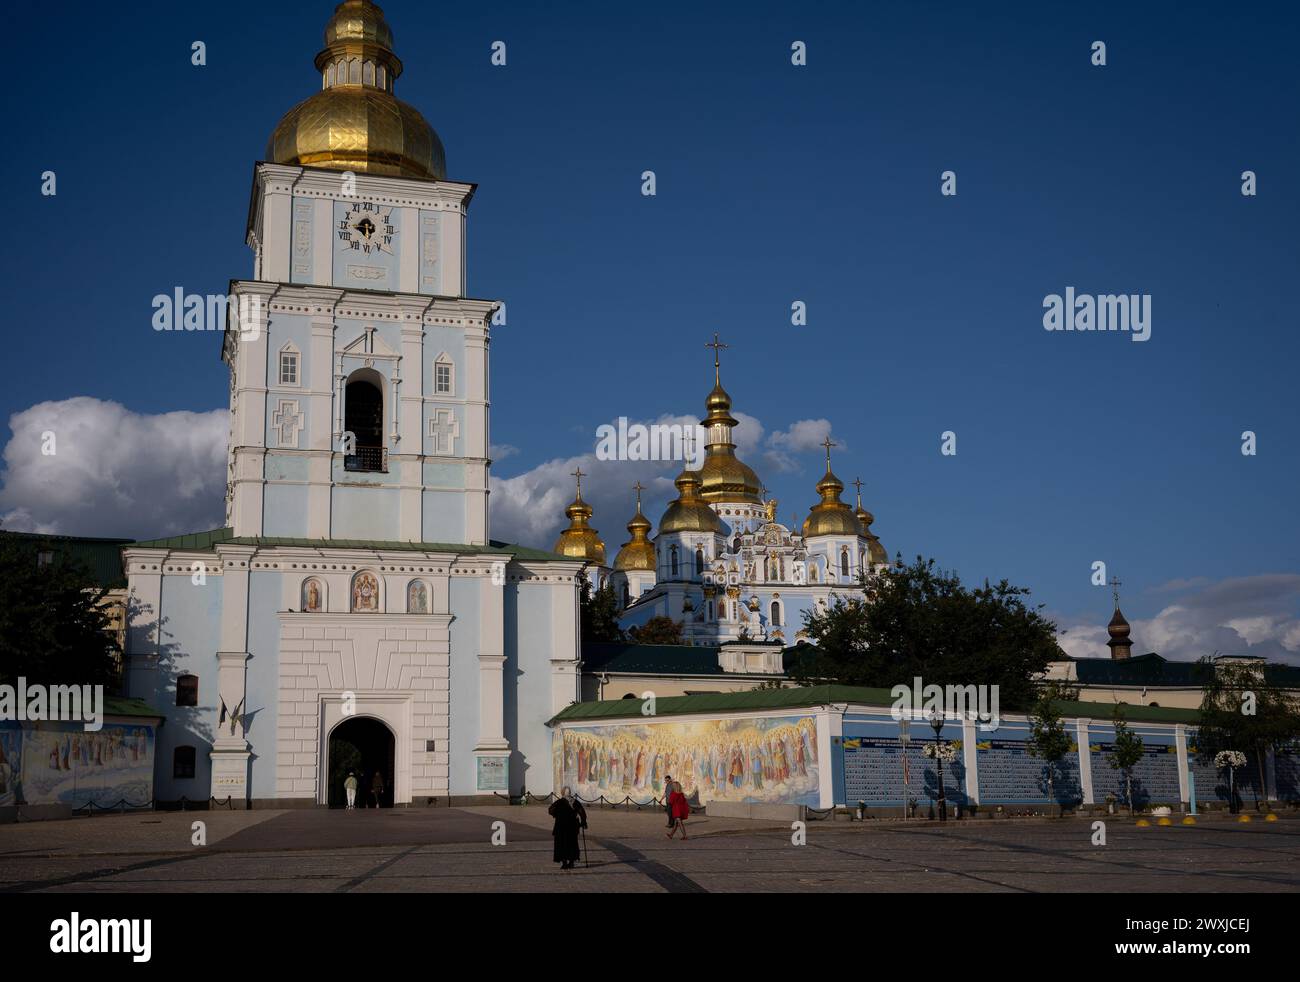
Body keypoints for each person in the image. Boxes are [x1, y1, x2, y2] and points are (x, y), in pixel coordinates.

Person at [548, 786, 588, 870]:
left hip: (561, 827)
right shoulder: (575, 802)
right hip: (572, 827)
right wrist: (583, 822)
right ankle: (571, 862)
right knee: (572, 844)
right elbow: (582, 812)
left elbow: (551, 810)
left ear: (562, 793)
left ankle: (565, 862)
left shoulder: (559, 802)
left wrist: (556, 815)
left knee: (562, 845)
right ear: (570, 793)